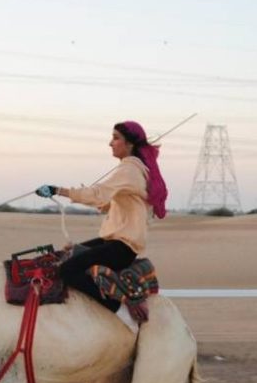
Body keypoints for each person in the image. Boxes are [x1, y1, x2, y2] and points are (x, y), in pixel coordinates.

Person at [35, 121, 168, 328]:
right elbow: (108, 201)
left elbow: (97, 194)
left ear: (130, 144)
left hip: (122, 246)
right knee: (71, 253)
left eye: (116, 138)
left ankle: (120, 311)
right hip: (114, 241)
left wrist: (58, 190)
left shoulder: (130, 170)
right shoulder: (133, 169)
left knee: (66, 270)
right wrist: (103, 203)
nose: (110, 143)